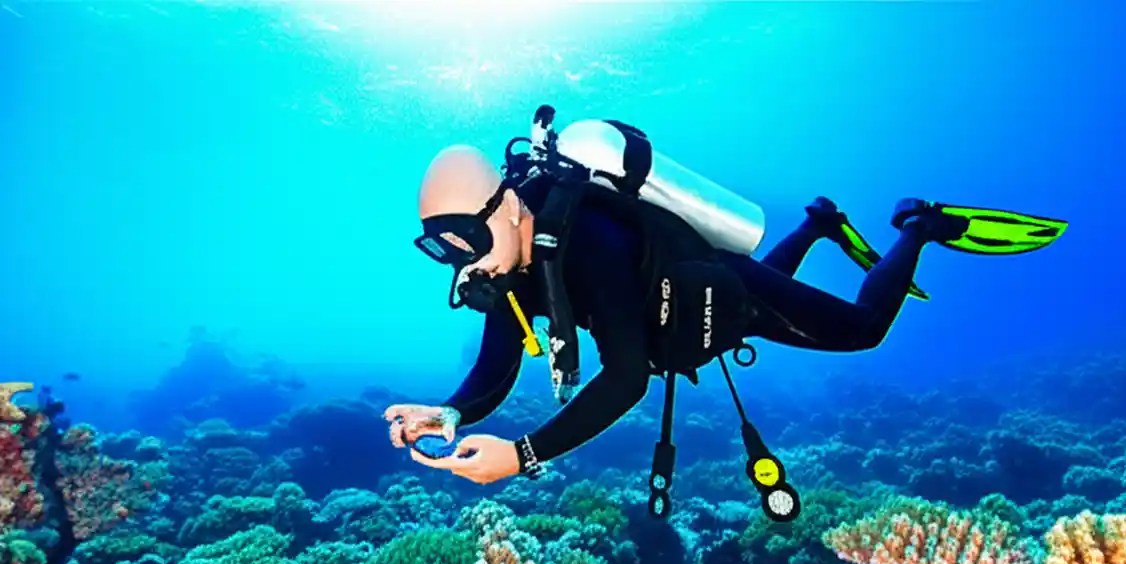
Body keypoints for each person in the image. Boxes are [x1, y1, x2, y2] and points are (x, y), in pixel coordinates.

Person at [385, 146, 974, 488]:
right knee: (762, 300)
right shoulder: (511, 266)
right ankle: (817, 223)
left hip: (718, 292)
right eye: (445, 250)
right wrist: (449, 411)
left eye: (467, 238)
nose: (465, 264)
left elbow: (626, 379)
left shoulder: (586, 239)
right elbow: (496, 363)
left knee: (861, 329)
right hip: (692, 318)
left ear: (510, 208)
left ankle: (916, 225)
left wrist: (522, 455)